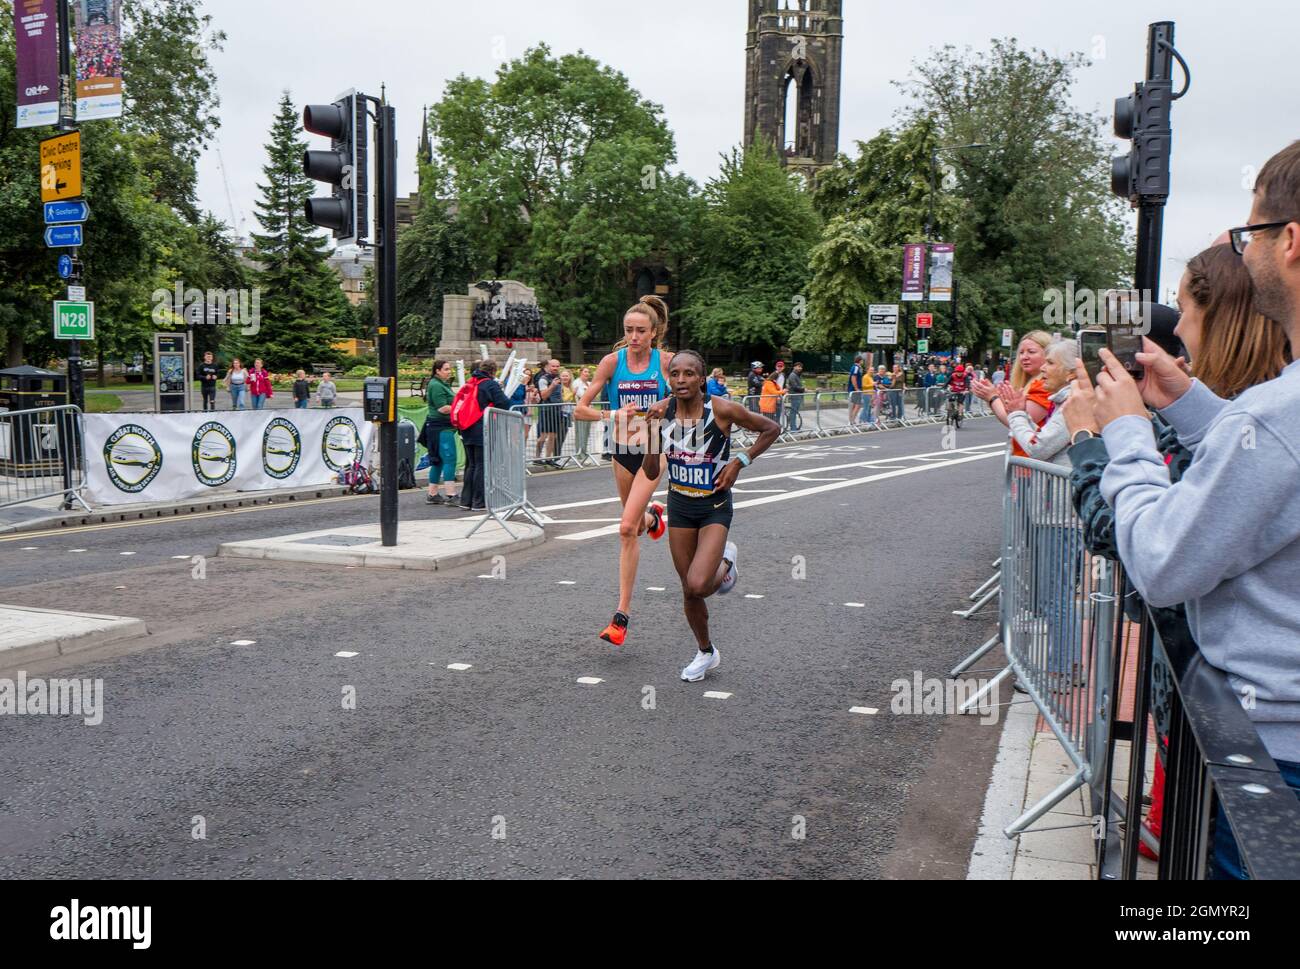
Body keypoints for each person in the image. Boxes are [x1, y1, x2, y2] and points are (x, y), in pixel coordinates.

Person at [1078, 143, 1300, 878]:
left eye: (1250, 236)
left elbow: (1164, 560)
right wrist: (1193, 404)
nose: (1247, 252)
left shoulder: (1276, 414)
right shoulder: (1269, 418)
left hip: (1271, 755)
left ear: (1291, 241)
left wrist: (1127, 434)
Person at [641, 351, 781, 682]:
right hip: (679, 506)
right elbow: (649, 472)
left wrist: (740, 461)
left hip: (714, 505)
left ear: (702, 379)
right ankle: (706, 652)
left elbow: (771, 428)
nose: (681, 380)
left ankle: (726, 563)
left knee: (699, 583)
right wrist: (648, 433)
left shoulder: (721, 410)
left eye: (689, 374)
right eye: (674, 374)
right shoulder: (661, 412)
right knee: (688, 591)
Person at [573, 296, 673, 647]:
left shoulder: (666, 363)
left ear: (653, 332)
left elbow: (690, 397)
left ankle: (621, 616)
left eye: (640, 331)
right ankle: (654, 518)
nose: (633, 336)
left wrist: (664, 405)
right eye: (629, 330)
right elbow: (579, 409)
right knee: (636, 521)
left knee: (626, 528)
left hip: (652, 450)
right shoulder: (612, 363)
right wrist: (612, 415)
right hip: (620, 450)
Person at [997, 340, 1082, 689]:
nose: (1042, 369)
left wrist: (1016, 413)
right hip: (1054, 511)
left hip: (1059, 515)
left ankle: (1061, 672)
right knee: (1055, 594)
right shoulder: (1065, 403)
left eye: (1050, 363)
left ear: (1071, 371)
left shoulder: (1072, 405)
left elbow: (1037, 447)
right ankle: (1067, 665)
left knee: (1056, 596)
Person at [456, 358, 515, 511]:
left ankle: (466, 500)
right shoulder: (489, 384)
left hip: (466, 427)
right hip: (482, 427)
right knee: (481, 465)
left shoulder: (470, 382)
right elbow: (504, 403)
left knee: (471, 465)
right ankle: (478, 502)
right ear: (493, 371)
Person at [425, 360, 460, 506]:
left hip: (438, 427)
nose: (449, 371)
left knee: (438, 461)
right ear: (437, 371)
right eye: (446, 369)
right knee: (449, 459)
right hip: (441, 427)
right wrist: (461, 407)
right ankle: (451, 494)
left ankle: (432, 494)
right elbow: (442, 408)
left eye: (449, 369)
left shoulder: (440, 384)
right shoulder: (436, 385)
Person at [535, 359, 564, 464]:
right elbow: (543, 395)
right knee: (543, 436)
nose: (555, 368)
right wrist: (552, 386)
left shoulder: (558, 378)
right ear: (548, 366)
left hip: (556, 409)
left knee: (553, 436)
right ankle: (537, 458)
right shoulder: (543, 379)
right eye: (553, 366)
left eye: (557, 366)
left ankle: (548, 458)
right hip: (546, 410)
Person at [573, 367, 593, 458]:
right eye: (585, 371)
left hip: (589, 410)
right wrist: (588, 393)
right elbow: (581, 395)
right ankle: (579, 453)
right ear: (580, 372)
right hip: (580, 410)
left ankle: (584, 452)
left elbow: (594, 395)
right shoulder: (577, 382)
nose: (587, 373)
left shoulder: (589, 383)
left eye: (588, 372)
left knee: (586, 432)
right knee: (580, 432)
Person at [786, 362, 806, 431]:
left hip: (798, 396)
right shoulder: (792, 375)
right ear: (794, 367)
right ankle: (793, 428)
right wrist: (803, 389)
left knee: (794, 412)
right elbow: (794, 387)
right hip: (795, 396)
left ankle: (793, 427)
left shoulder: (797, 375)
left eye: (800, 367)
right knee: (793, 413)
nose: (800, 368)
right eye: (798, 366)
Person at [847, 355, 865, 425]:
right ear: (860, 360)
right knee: (856, 405)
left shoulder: (858, 368)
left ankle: (852, 420)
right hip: (854, 389)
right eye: (862, 360)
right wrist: (856, 388)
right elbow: (853, 377)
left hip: (856, 389)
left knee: (856, 405)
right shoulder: (856, 367)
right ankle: (851, 420)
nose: (863, 362)